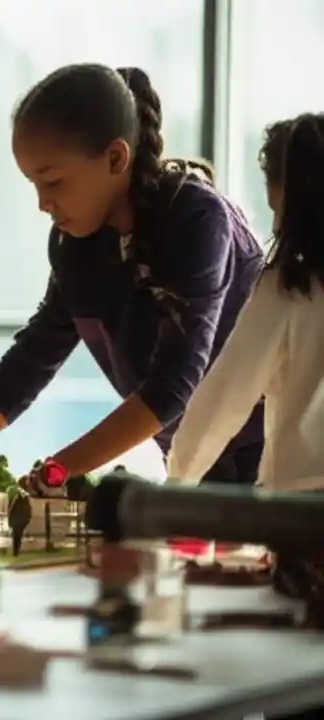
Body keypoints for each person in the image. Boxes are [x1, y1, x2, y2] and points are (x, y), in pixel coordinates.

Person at [0, 64, 265, 492]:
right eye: (33, 183)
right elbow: (24, 368)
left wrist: (55, 471)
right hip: (195, 466)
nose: (42, 203)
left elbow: (172, 388)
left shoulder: (196, 218)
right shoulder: (77, 245)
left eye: (52, 182)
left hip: (271, 467)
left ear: (116, 158)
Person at [168, 114, 324, 492]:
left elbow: (224, 400)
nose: (276, 226)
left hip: (302, 504)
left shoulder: (288, 288)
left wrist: (176, 484)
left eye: (276, 210)